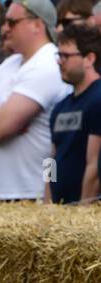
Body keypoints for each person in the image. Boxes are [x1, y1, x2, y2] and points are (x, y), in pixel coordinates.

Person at [0, 0, 70, 200]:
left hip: (34, 192)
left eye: (12, 22)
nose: (5, 29)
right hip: (2, 192)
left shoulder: (47, 64)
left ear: (37, 24)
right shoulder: (10, 63)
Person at [46, 21, 101, 203]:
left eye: (65, 56)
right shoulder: (60, 106)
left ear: (89, 59)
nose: (59, 61)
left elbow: (94, 165)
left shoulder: (98, 99)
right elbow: (50, 159)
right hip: (60, 212)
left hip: (84, 215)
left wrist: (83, 212)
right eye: (58, 55)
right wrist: (47, 202)